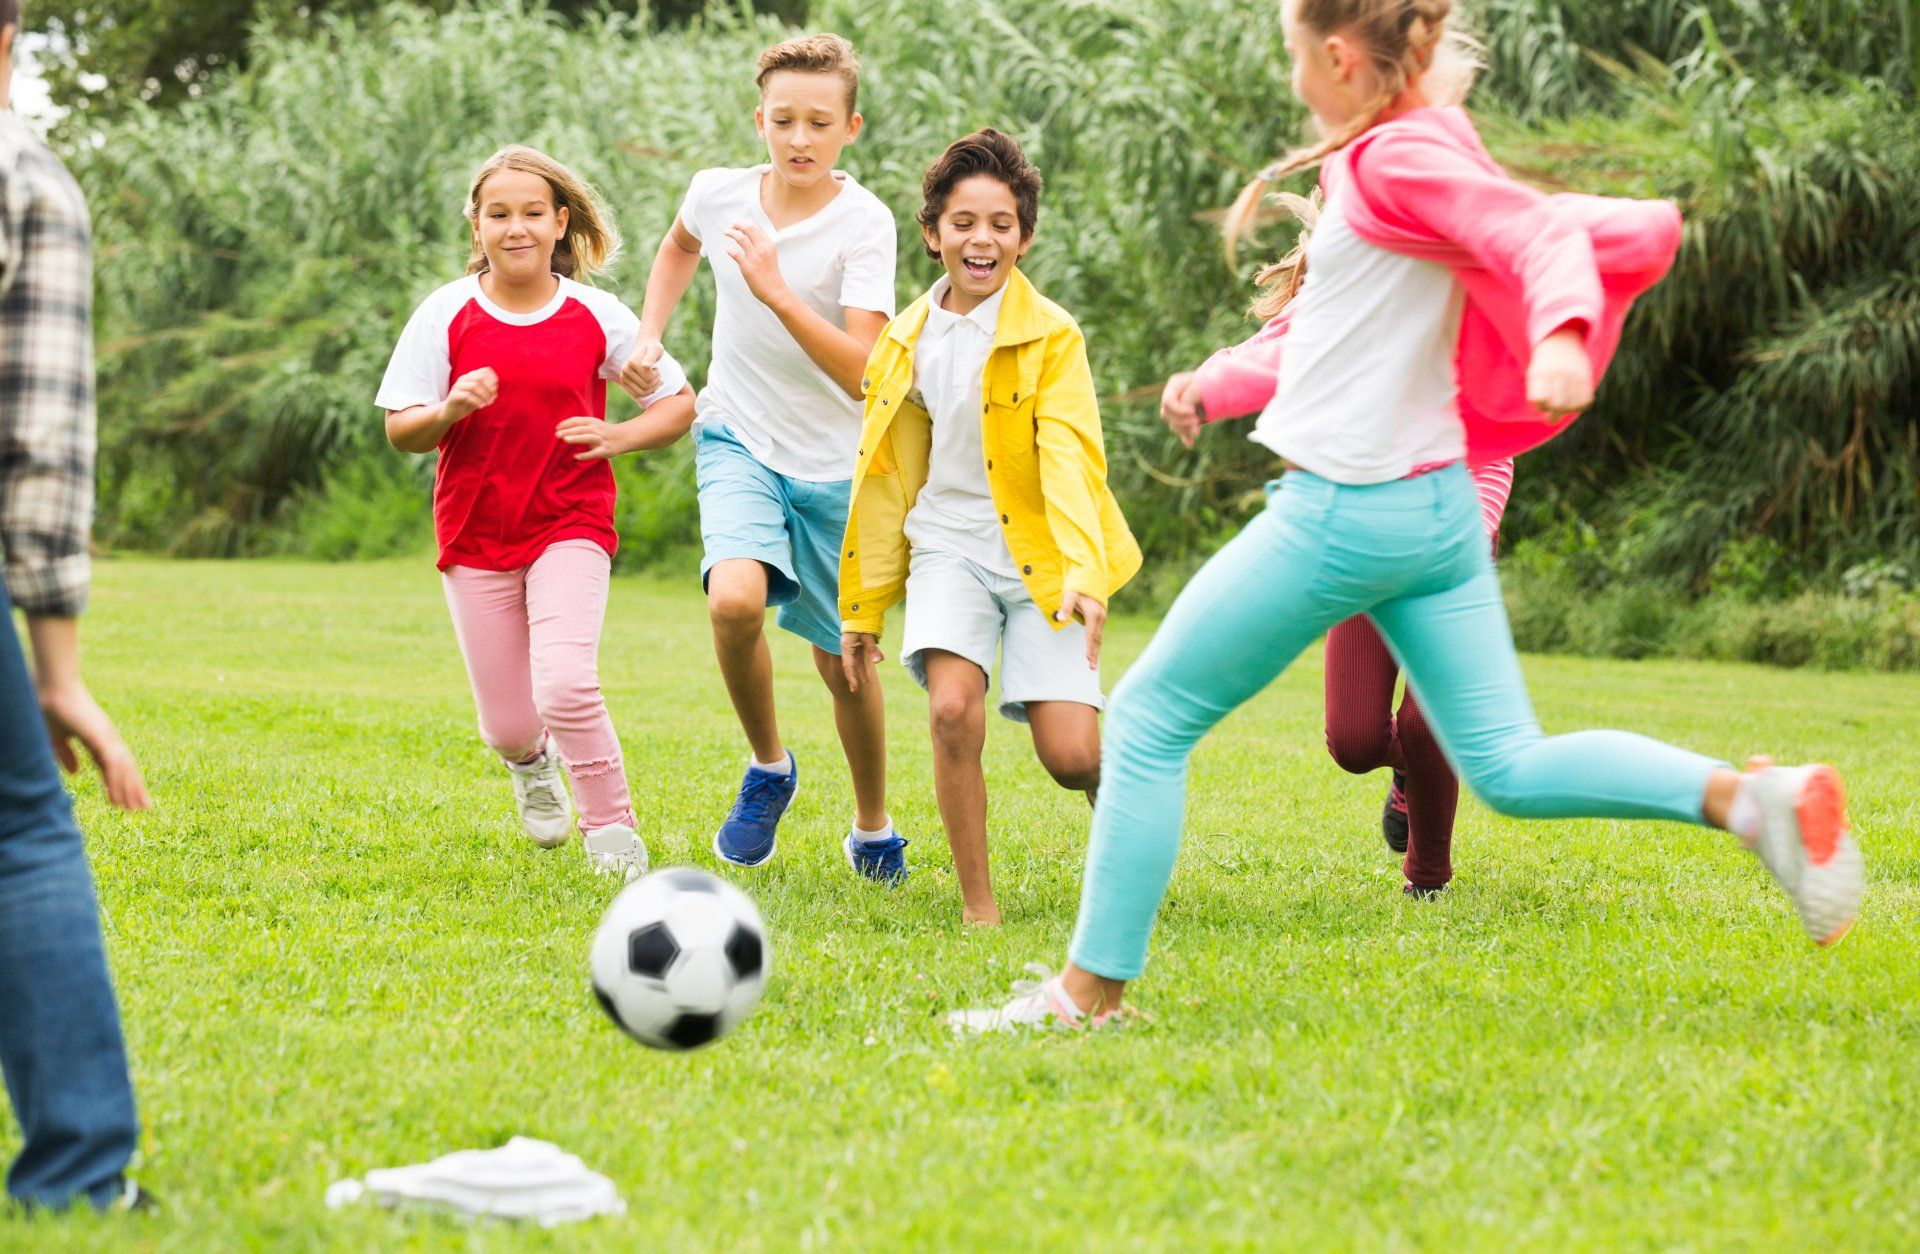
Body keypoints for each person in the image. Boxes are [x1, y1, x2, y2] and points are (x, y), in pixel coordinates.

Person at [951, 0, 1863, 1032]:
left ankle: (1086, 998)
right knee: (1510, 765)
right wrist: (1220, 381)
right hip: (1434, 508)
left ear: (1336, 57)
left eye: (1295, 55)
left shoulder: (1396, 161)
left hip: (1351, 507)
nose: (1293, 77)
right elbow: (1343, 330)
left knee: (1154, 719)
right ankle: (1755, 804)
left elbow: (1533, 232)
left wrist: (1563, 335)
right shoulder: (1401, 153)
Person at [1160, 188, 1513, 896]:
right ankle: (1416, 768)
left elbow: (1493, 437)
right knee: (1353, 743)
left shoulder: (1449, 293)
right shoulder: (1334, 296)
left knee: (1424, 717)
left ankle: (1428, 874)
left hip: (1451, 522)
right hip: (1358, 526)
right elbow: (1266, 351)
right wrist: (1201, 385)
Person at [839, 130, 1141, 922]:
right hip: (951, 546)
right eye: (964, 222)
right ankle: (980, 907)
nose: (983, 239)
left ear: (1025, 237)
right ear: (933, 232)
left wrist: (1083, 568)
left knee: (1071, 757)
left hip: (1042, 554)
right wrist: (863, 608)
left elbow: (1072, 455)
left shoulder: (1052, 335)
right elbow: (883, 482)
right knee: (950, 708)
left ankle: (1127, 805)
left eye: (1001, 224)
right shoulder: (902, 344)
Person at [628, 34, 908, 876]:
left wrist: (776, 290)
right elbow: (679, 245)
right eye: (783, 120)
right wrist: (650, 331)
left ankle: (870, 824)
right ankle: (768, 767)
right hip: (738, 434)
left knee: (843, 665)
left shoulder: (866, 224)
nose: (798, 139)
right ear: (759, 119)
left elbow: (868, 374)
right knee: (733, 604)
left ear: (850, 127)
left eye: (818, 123)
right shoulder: (717, 194)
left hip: (836, 466)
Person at [377, 145, 694, 879]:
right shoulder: (447, 312)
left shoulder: (594, 315)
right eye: (498, 214)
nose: (514, 227)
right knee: (510, 725)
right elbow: (400, 429)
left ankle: (612, 830)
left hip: (570, 522)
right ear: (477, 226)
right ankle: (531, 764)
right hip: (476, 531)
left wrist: (618, 436)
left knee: (567, 683)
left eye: (530, 213)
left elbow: (678, 405)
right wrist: (450, 408)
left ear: (559, 223)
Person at [0, 0, 154, 1209]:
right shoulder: (28, 179)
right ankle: (76, 1175)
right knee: (22, 833)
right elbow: (40, 441)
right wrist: (56, 668)